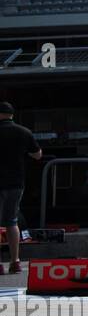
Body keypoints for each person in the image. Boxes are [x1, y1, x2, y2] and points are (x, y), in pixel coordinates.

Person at [0, 102, 42, 274]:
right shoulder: (24, 132)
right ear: (11, 115)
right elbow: (38, 155)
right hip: (16, 182)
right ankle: (15, 260)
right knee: (11, 221)